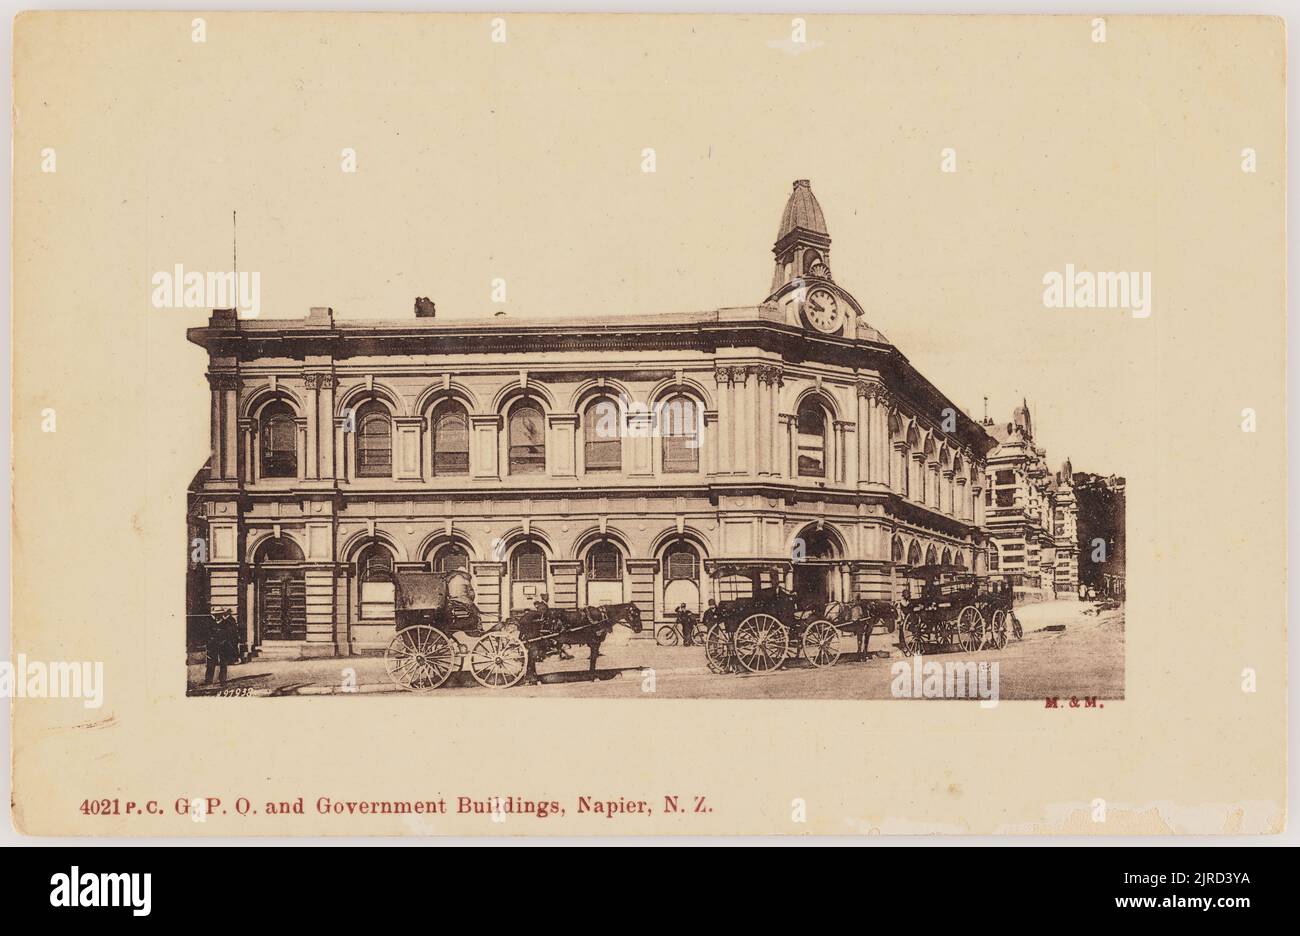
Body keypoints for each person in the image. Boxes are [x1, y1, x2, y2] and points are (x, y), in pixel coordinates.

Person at [204, 608, 240, 687]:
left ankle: (222, 680)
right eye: (214, 615)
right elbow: (207, 634)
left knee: (223, 663)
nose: (216, 616)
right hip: (212, 646)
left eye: (218, 615)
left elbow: (230, 635)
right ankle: (208, 680)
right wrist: (209, 641)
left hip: (223, 646)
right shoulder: (210, 623)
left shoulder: (227, 623)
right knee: (210, 663)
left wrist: (225, 642)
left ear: (221, 615)